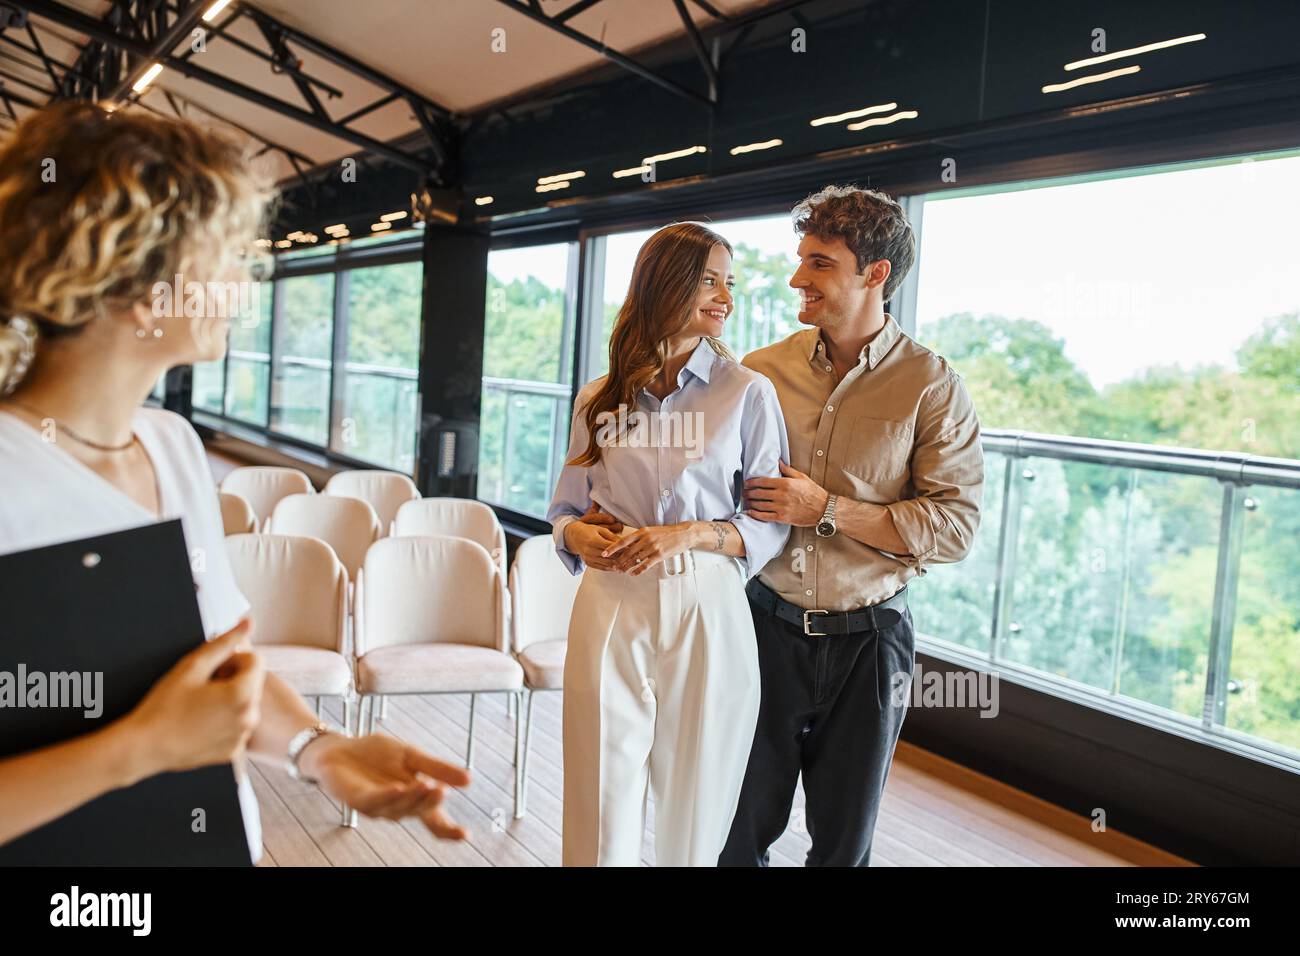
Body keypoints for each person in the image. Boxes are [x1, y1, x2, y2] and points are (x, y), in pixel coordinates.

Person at [0, 102, 470, 858]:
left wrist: (319, 750)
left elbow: (222, 670)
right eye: (228, 258)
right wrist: (137, 750)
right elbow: (168, 733)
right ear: (139, 285)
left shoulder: (173, 447)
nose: (246, 285)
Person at [718, 185, 985, 866]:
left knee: (844, 848)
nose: (796, 278)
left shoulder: (932, 386)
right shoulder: (760, 373)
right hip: (760, 629)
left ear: (875, 274)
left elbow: (953, 528)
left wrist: (826, 510)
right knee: (734, 832)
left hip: (872, 645)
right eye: (801, 259)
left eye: (819, 263)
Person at [547, 222, 790, 866]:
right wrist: (579, 535)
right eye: (709, 280)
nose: (725, 297)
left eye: (728, 283)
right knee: (599, 791)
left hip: (706, 599)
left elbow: (767, 523)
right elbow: (566, 511)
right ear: (666, 283)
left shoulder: (748, 394)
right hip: (611, 598)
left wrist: (689, 533)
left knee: (697, 798)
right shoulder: (599, 397)